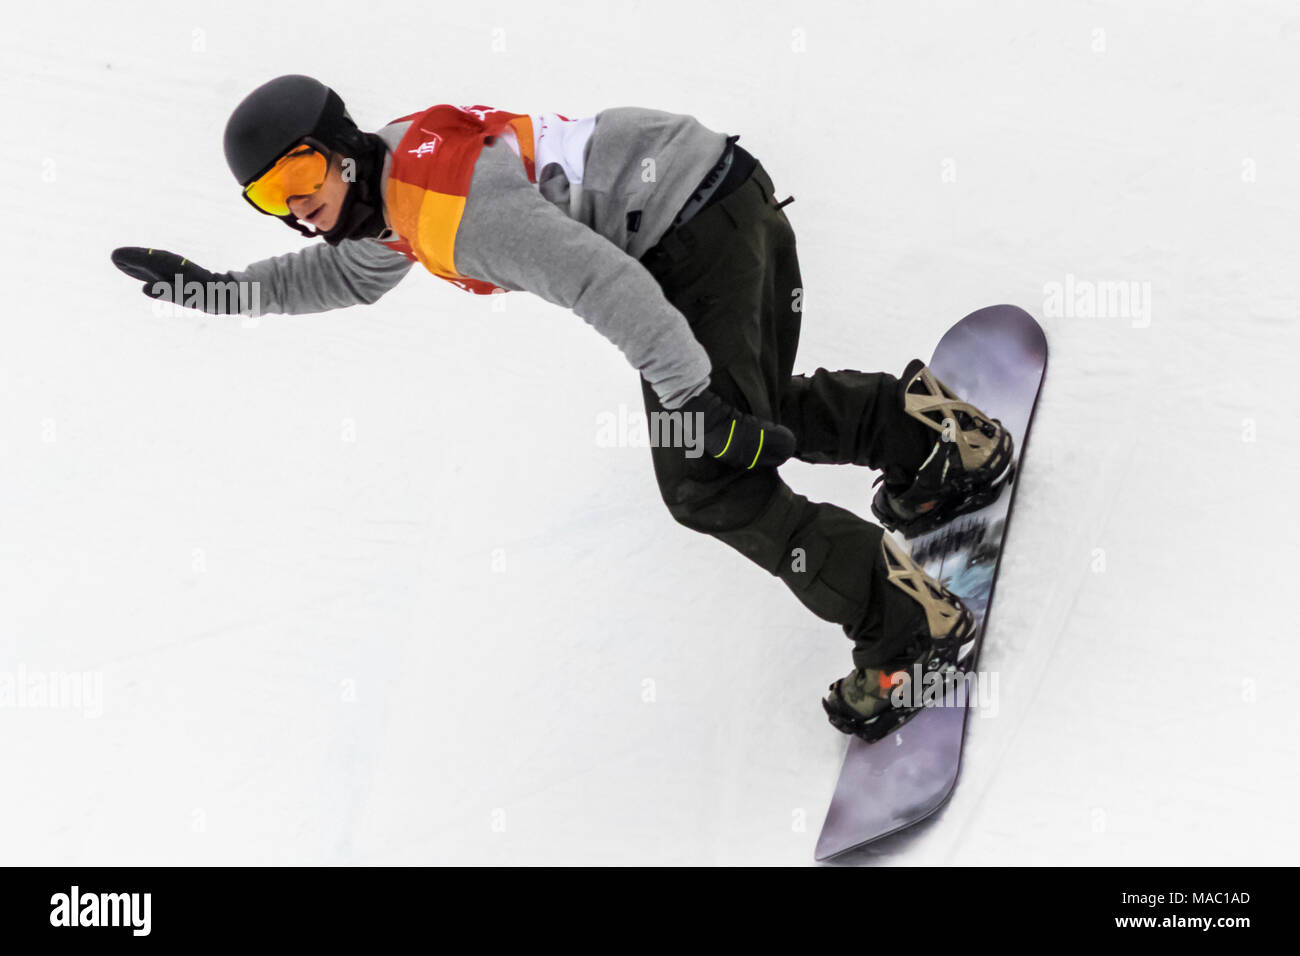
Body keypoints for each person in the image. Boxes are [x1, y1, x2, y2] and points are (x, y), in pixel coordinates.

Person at [111, 75, 1014, 741]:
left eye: (300, 173)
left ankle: (914, 630)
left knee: (708, 481)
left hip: (688, 237)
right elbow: (344, 272)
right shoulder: (392, 179)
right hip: (714, 200)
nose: (297, 206)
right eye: (270, 196)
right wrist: (216, 293)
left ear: (338, 145)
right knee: (750, 414)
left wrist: (686, 396)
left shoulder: (449, 208)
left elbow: (599, 277)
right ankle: (939, 446)